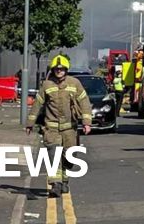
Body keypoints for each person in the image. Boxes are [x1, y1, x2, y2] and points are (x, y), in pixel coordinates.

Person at [26, 55, 92, 196]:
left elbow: (84, 103)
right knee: (53, 155)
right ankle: (55, 184)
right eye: (56, 69)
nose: (59, 71)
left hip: (70, 129)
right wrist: (30, 123)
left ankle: (64, 180)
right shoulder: (47, 85)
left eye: (61, 69)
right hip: (52, 128)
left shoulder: (75, 84)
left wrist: (87, 122)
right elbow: (37, 104)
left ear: (66, 70)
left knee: (69, 157)